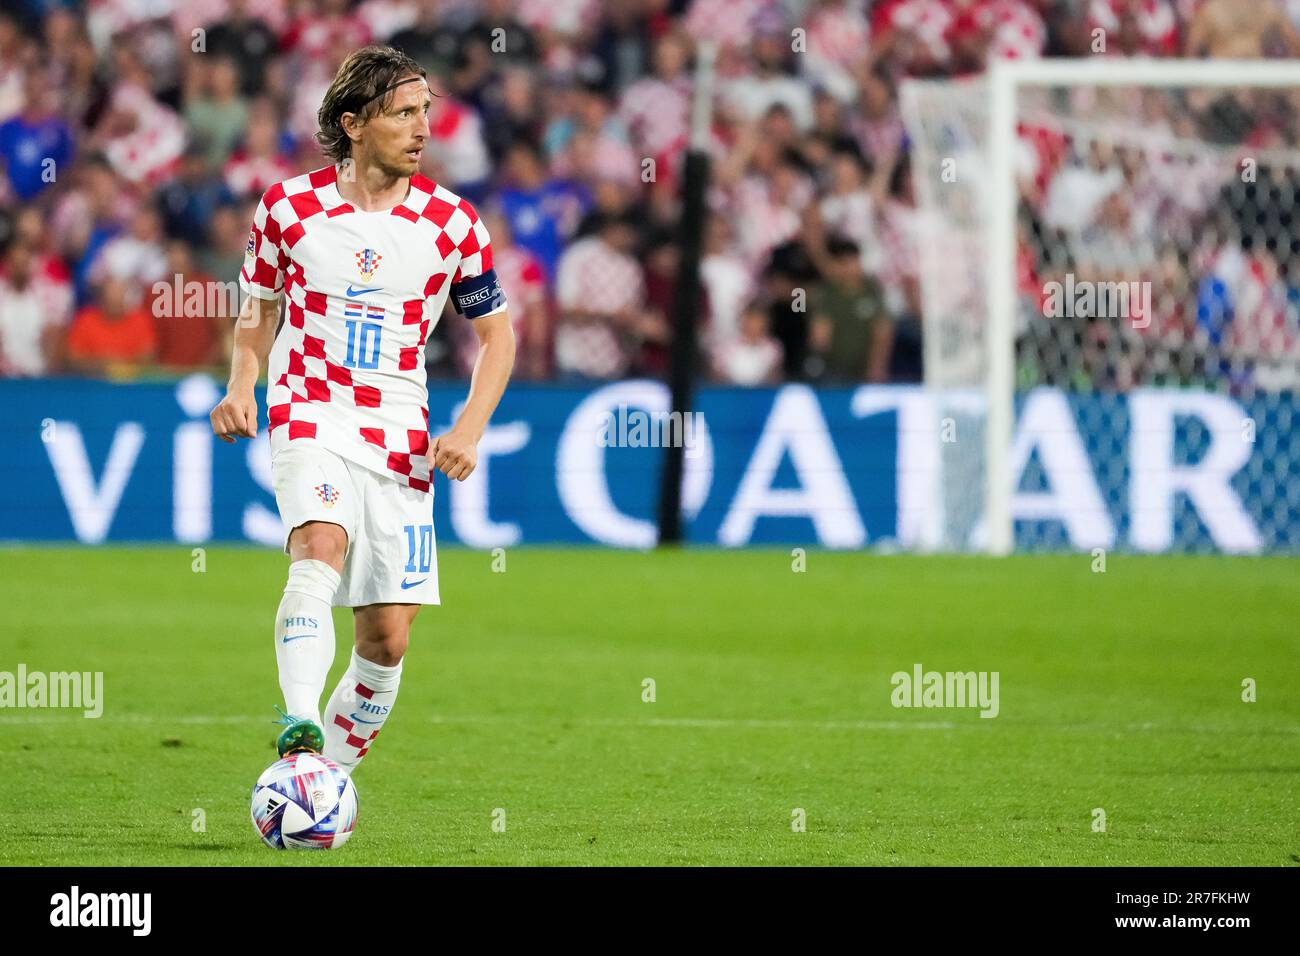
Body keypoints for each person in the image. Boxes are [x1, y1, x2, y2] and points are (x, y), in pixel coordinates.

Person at [208, 46, 515, 773]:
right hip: (310, 410)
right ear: (353, 123)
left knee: (387, 640)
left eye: (425, 113)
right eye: (403, 113)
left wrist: (469, 428)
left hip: (402, 436)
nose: (421, 129)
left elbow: (497, 337)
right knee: (318, 545)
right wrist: (241, 383)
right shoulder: (288, 209)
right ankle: (300, 719)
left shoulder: (453, 224)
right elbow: (258, 311)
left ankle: (319, 783)